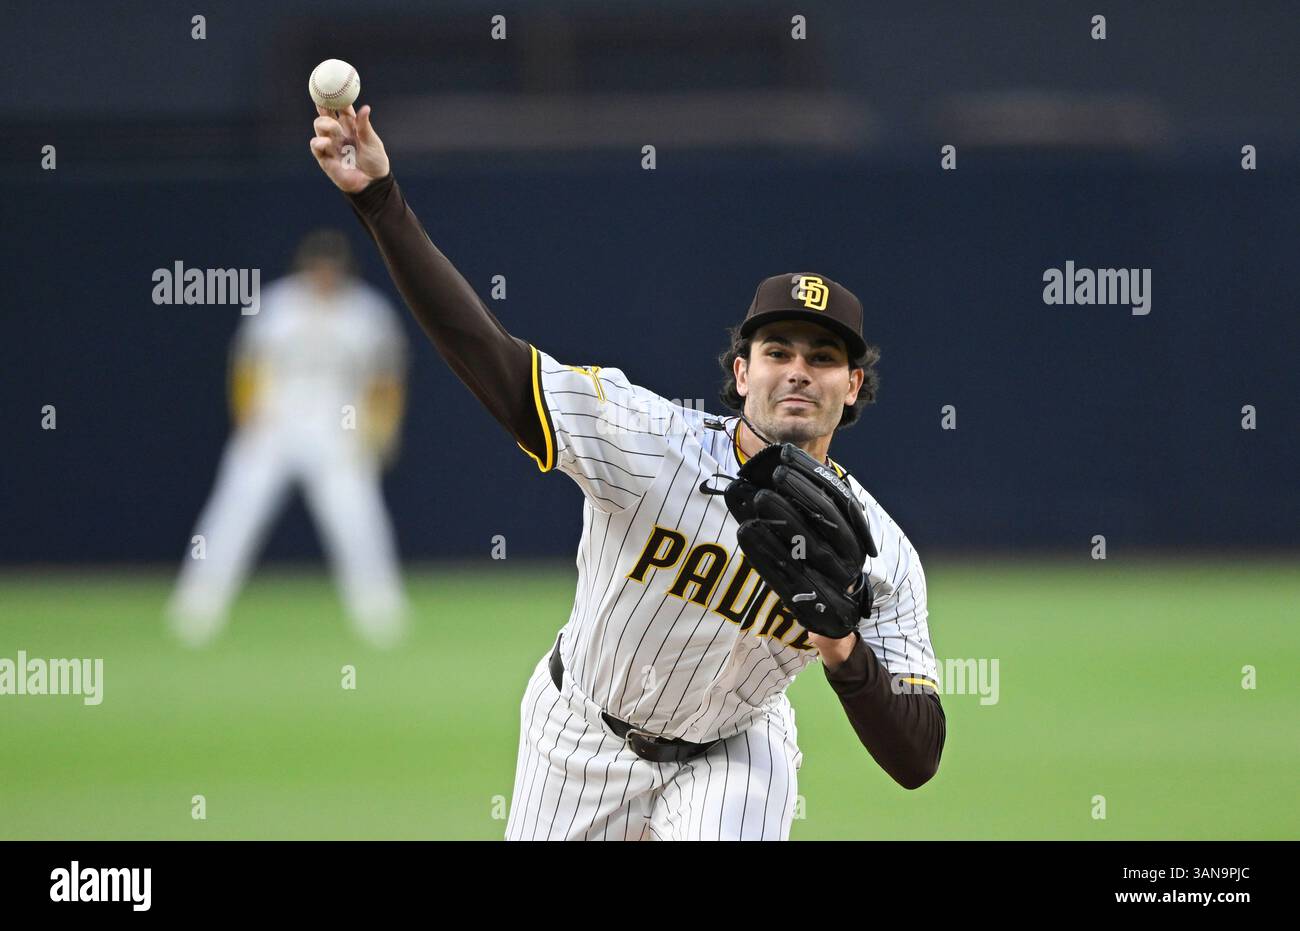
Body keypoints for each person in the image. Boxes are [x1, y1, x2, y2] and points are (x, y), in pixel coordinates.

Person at [310, 102, 945, 840]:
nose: (798, 372)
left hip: (734, 751)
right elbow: (497, 364)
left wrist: (840, 645)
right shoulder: (651, 441)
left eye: (824, 358)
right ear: (742, 373)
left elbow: (918, 755)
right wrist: (379, 200)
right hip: (580, 731)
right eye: (778, 353)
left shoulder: (879, 552)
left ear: (853, 386)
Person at [168, 229, 409, 649]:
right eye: (318, 267)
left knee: (356, 518)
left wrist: (382, 428)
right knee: (233, 512)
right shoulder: (278, 305)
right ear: (306, 267)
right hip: (276, 421)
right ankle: (197, 606)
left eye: (332, 268)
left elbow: (385, 380)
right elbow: (246, 366)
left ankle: (379, 610)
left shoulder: (366, 313)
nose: (324, 275)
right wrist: (248, 417)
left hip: (339, 425)